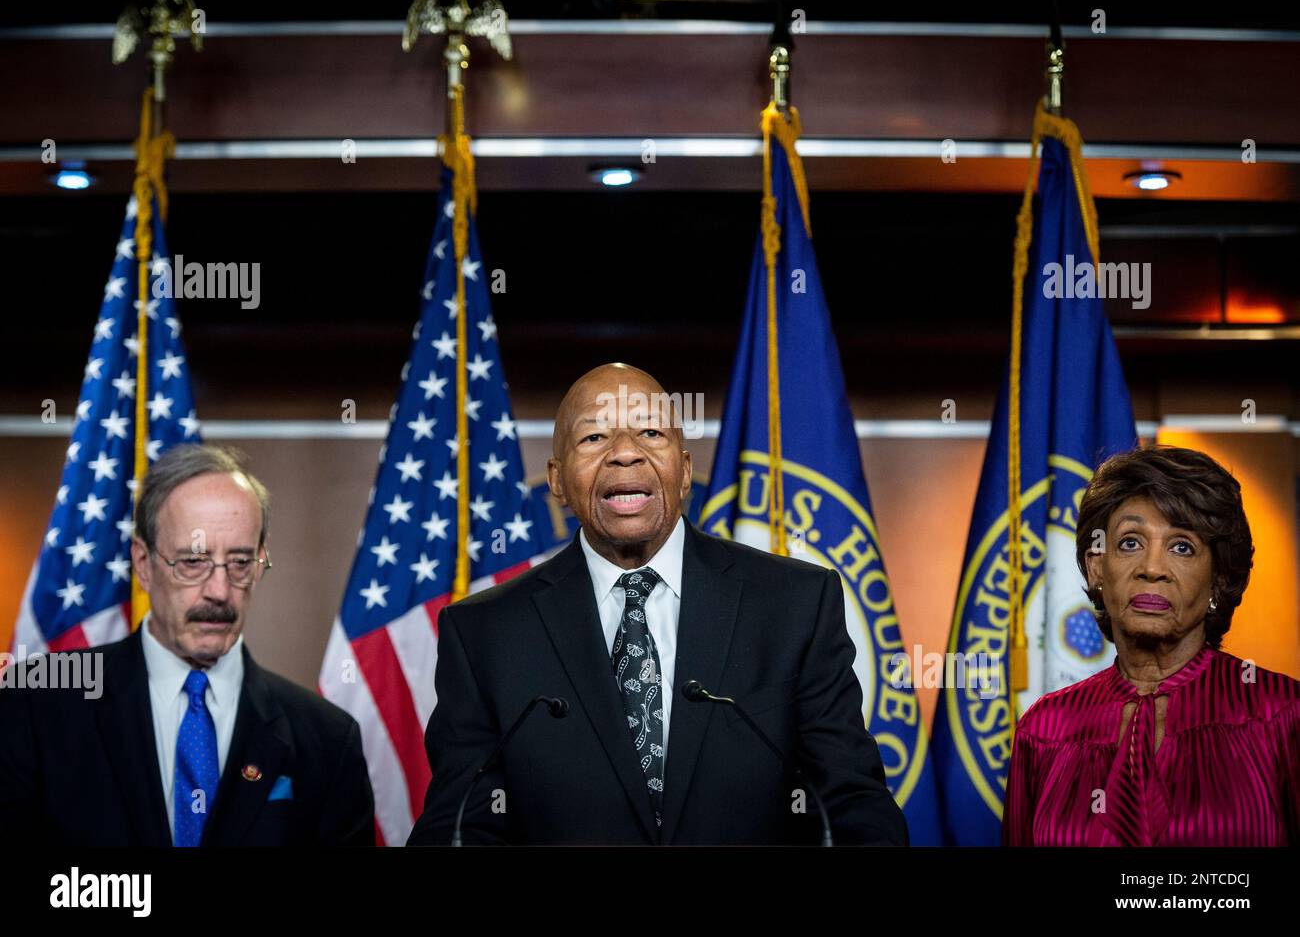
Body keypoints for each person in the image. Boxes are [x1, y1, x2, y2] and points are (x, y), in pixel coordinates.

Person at [408, 362, 907, 845]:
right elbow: (460, 826)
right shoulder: (483, 633)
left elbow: (852, 807)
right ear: (557, 480)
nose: (625, 453)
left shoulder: (796, 604)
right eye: (594, 437)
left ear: (684, 471)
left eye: (650, 433)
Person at [0, 444, 375, 846]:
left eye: (240, 562)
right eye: (193, 563)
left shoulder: (328, 739)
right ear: (143, 564)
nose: (219, 590)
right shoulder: (35, 701)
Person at [1003, 445, 1300, 846]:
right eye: (1130, 542)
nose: (1152, 569)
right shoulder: (1044, 729)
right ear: (1097, 568)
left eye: (1182, 546)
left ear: (1217, 579)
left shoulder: (1280, 713)